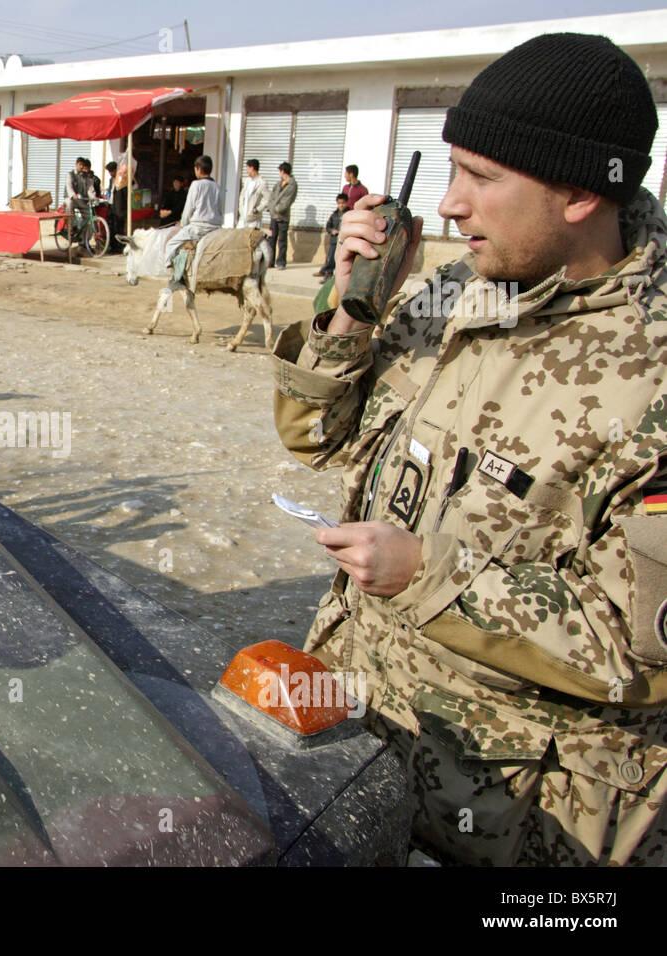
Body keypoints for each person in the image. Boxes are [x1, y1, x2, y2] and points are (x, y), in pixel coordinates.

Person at [270, 32, 667, 866]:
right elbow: (314, 436)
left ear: (579, 193)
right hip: (364, 746)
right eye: (450, 171)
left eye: (482, 179)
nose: (450, 205)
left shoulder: (652, 371)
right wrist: (351, 311)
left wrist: (430, 574)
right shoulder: (466, 293)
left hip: (519, 825)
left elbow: (641, 653)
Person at [162, 155, 222, 269]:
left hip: (198, 228)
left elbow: (188, 208)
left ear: (198, 169)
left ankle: (173, 275)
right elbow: (220, 209)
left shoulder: (196, 185)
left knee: (171, 244)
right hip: (216, 227)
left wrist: (182, 224)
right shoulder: (217, 186)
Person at [267, 161, 296, 269]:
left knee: (282, 240)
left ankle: (281, 262)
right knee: (272, 239)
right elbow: (272, 196)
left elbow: (287, 201)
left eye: (280, 171)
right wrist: (271, 208)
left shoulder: (292, 185)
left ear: (283, 171)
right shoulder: (279, 183)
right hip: (274, 216)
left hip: (283, 217)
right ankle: (270, 261)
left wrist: (277, 209)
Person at [313, 192, 347, 279]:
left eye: (343, 203)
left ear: (346, 203)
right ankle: (328, 272)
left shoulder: (349, 214)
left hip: (344, 241)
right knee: (331, 257)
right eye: (339, 203)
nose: (341, 205)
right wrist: (332, 231)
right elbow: (328, 226)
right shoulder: (334, 215)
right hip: (334, 240)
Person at [236, 158, 269, 229]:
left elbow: (267, 200)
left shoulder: (262, 183)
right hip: (243, 217)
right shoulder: (247, 181)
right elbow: (242, 196)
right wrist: (240, 208)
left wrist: (257, 209)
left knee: (252, 239)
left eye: (247, 168)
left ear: (252, 168)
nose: (246, 171)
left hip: (254, 219)